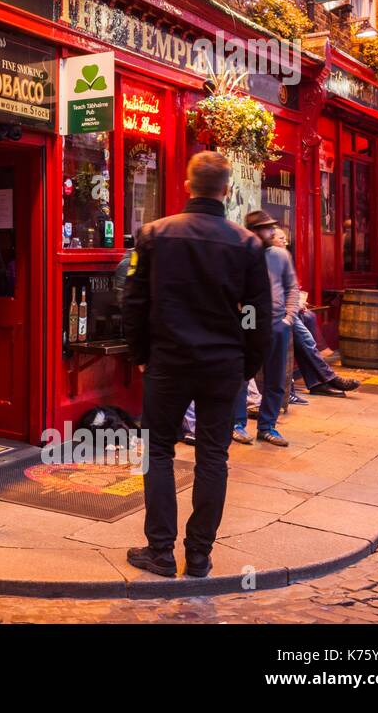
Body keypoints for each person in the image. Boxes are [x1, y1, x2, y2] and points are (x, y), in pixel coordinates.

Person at [122, 152, 271, 578]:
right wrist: (246, 364)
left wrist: (141, 356)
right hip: (223, 363)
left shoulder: (154, 235)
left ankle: (161, 550)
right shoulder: (247, 244)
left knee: (157, 451)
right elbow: (257, 314)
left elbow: (133, 302)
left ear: (188, 186)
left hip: (168, 361)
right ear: (226, 189)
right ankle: (200, 554)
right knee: (213, 455)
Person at [235, 211, 297, 447]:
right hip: (249, 317)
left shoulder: (280, 255)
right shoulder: (242, 253)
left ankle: (267, 426)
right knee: (243, 373)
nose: (271, 232)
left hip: (276, 320)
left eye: (272, 227)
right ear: (253, 231)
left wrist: (288, 319)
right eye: (265, 228)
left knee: (275, 377)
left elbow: (291, 287)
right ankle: (237, 423)